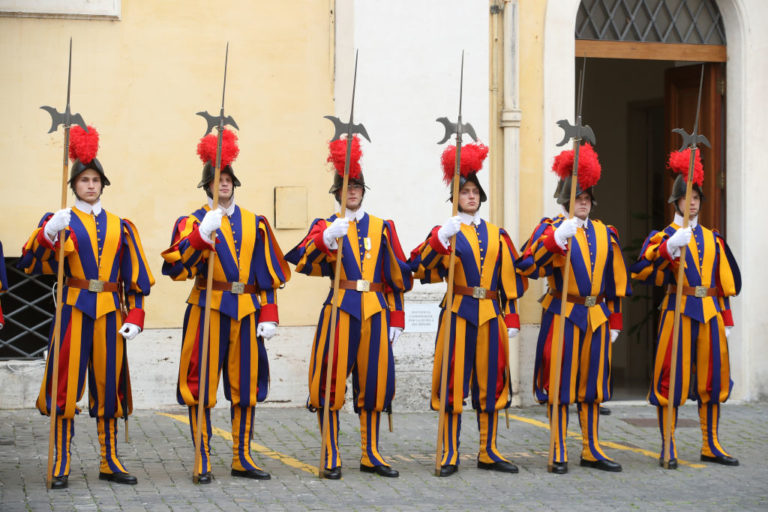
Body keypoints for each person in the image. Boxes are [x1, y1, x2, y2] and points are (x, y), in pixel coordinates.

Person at [19, 125, 154, 488]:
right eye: (84, 180)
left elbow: (135, 277)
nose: (90, 185)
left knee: (109, 385)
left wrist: (136, 315)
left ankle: (109, 460)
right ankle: (61, 461)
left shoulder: (121, 226)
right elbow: (31, 263)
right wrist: (49, 233)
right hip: (73, 309)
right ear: (74, 184)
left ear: (102, 184)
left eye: (95, 180)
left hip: (110, 312)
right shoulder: (59, 221)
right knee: (65, 384)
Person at [161, 129, 291, 483]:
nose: (224, 183)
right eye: (217, 178)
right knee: (199, 385)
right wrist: (200, 236)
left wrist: (269, 313)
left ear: (234, 182)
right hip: (207, 307)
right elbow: (178, 269)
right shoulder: (191, 221)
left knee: (245, 387)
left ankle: (241, 456)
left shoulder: (255, 222)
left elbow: (267, 273)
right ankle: (202, 457)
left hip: (246, 310)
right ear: (207, 185)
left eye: (228, 178)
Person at [285, 136, 412, 479]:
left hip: (376, 310)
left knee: (374, 383)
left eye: (356, 186)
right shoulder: (325, 225)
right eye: (345, 187)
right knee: (330, 381)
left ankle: (371, 453)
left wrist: (397, 317)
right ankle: (331, 451)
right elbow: (303, 260)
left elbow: (396, 275)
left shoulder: (383, 227)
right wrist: (327, 238)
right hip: (340, 307)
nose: (351, 191)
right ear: (336, 192)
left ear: (363, 191)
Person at [409, 142, 527, 477]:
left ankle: (488, 451)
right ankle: (449, 452)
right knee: (453, 382)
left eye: (475, 192)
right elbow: (418, 267)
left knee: (492, 381)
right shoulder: (445, 231)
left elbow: (510, 278)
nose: (471, 196)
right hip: (458, 312)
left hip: (490, 313)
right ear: (455, 198)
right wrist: (440, 240)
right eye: (465, 192)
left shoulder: (497, 235)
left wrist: (512, 317)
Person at [516, 143, 629, 474]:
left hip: (596, 317)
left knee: (592, 385)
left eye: (587, 197)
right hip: (563, 313)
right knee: (560, 382)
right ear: (566, 199)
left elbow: (614, 282)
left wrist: (615, 319)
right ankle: (558, 447)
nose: (583, 202)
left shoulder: (604, 232)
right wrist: (555, 241)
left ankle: (591, 448)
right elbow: (528, 265)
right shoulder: (550, 228)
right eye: (578, 197)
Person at [630, 149, 741, 469]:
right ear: (675, 201)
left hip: (710, 312)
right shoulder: (662, 236)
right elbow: (640, 271)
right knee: (671, 378)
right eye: (685, 197)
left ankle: (711, 443)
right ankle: (668, 444)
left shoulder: (712, 239)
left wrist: (726, 319)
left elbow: (723, 283)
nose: (691, 203)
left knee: (713, 379)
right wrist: (667, 249)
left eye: (695, 197)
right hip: (677, 311)